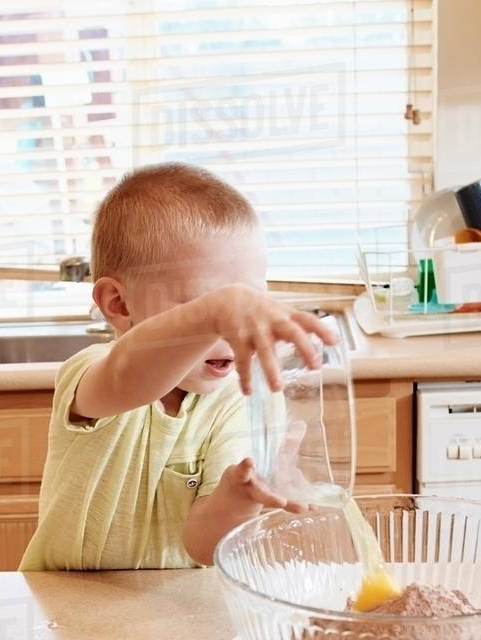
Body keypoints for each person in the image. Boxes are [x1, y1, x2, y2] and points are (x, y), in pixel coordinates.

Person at [19, 162, 337, 571]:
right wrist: (216, 311)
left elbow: (203, 547)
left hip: (176, 608)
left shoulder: (240, 399)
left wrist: (242, 495)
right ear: (119, 304)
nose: (227, 331)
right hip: (65, 604)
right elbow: (128, 377)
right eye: (201, 307)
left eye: (246, 305)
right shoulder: (91, 373)